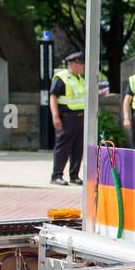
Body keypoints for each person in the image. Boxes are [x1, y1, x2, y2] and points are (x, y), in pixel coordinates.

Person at [50, 51, 86, 185]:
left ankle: (74, 175)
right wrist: (55, 117)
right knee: (63, 147)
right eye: (80, 63)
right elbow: (53, 97)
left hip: (79, 118)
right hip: (66, 118)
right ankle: (56, 175)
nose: (82, 66)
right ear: (72, 64)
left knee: (78, 147)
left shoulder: (80, 79)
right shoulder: (62, 78)